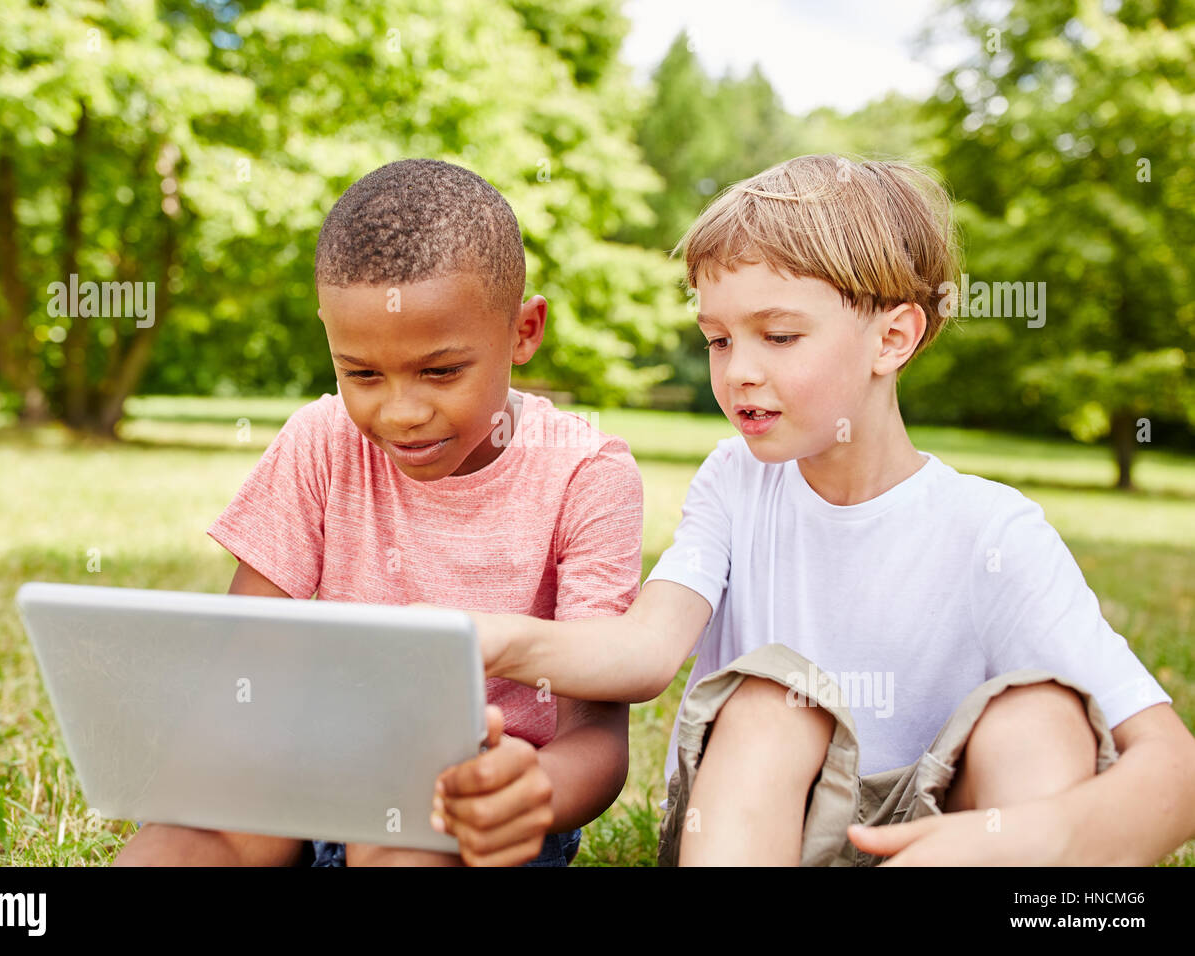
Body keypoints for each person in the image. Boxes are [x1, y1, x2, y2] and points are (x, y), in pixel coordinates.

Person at [460, 154, 1195, 866]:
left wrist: (1040, 837)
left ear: (894, 337)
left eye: (779, 336)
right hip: (754, 824)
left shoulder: (993, 530)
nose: (739, 370)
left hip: (940, 836)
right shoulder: (735, 482)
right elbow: (646, 651)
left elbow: (1173, 769)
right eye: (718, 339)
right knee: (773, 702)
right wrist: (490, 640)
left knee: (1043, 719)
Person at [114, 158, 643, 867]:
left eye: (441, 371)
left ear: (524, 331)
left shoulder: (585, 472)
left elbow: (598, 741)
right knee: (178, 843)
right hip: (311, 772)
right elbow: (248, 654)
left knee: (397, 852)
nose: (401, 413)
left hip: (472, 807)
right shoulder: (319, 440)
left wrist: (528, 792)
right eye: (361, 373)